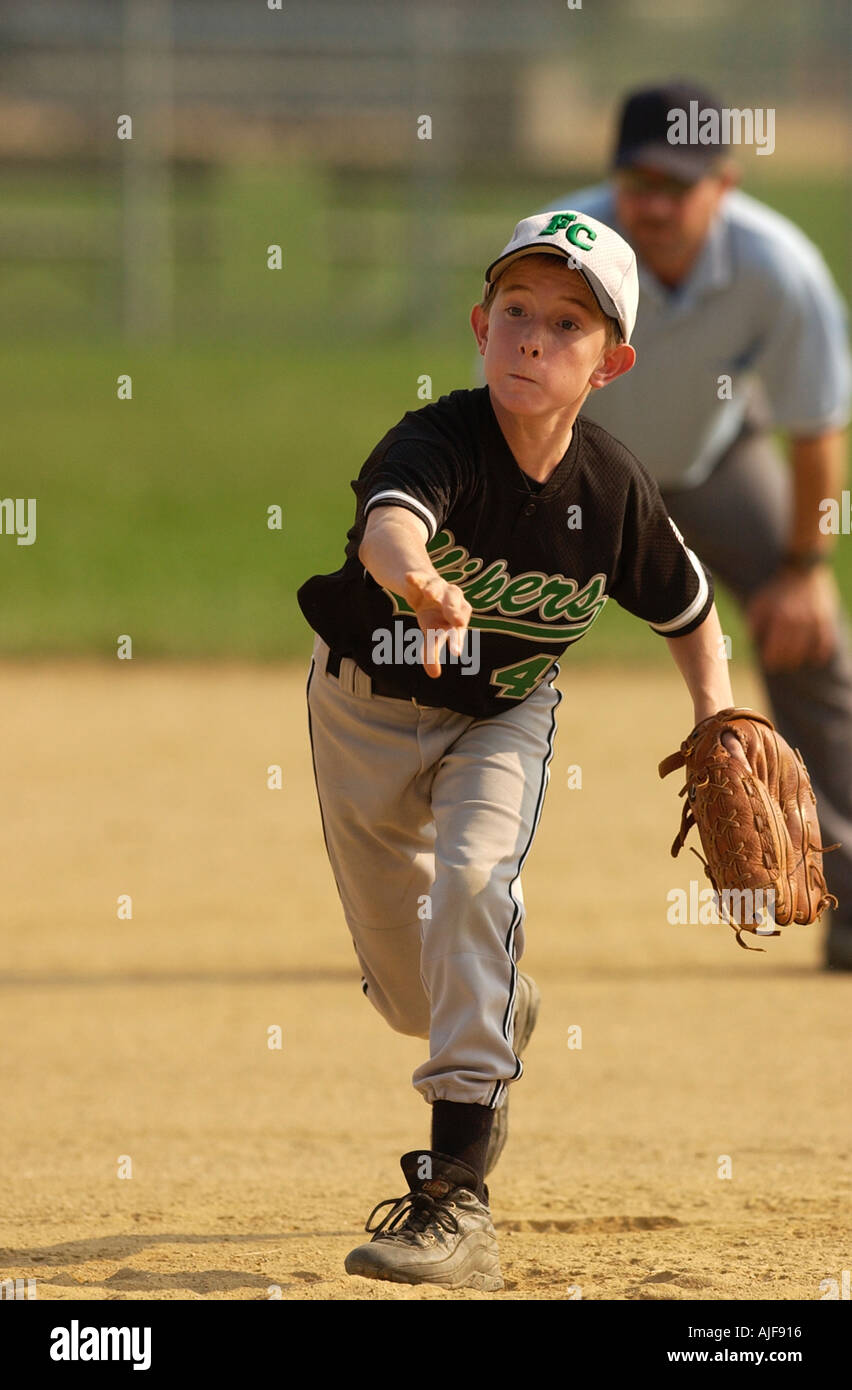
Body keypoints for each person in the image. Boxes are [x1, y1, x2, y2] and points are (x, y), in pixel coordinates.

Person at [297, 209, 748, 1291]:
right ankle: (497, 999)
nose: (533, 339)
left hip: (503, 712)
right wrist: (418, 578)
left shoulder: (612, 490)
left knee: (472, 883)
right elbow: (391, 523)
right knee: (411, 989)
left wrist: (718, 721)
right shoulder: (437, 440)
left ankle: (454, 1204)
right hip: (363, 708)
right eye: (515, 314)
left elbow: (690, 608)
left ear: (612, 362)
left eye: (567, 323)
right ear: (480, 325)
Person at [546, 81, 852, 969]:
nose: (654, 203)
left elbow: (816, 429)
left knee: (813, 646)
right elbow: (508, 402)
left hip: (712, 464)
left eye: (679, 184)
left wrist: (803, 568)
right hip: (576, 469)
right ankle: (436, 896)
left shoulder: (776, 267)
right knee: (475, 635)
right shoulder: (567, 246)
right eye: (638, 180)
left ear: (727, 183)